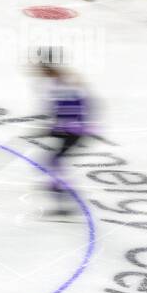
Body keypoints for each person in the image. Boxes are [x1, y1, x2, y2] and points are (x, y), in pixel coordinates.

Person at [31, 49, 94, 219]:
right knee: (54, 162)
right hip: (73, 128)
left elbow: (72, 109)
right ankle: (60, 191)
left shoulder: (61, 83)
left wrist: (57, 127)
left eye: (41, 69)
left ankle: (63, 200)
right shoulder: (60, 81)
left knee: (54, 162)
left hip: (74, 130)